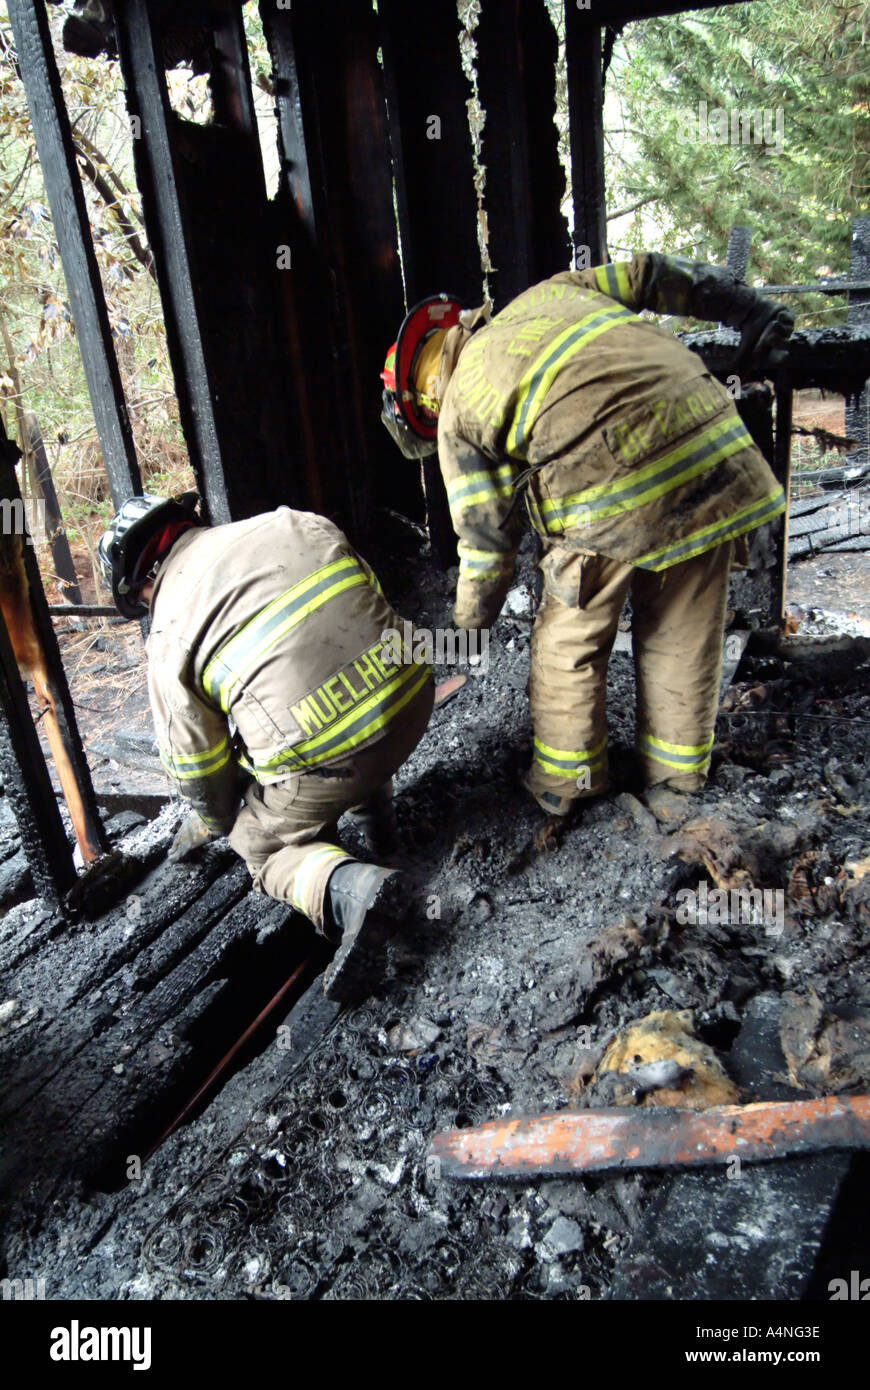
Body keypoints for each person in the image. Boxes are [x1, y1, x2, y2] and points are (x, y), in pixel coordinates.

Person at [380, 253, 793, 818]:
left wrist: (468, 629)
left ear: (423, 397)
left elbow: (486, 544)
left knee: (568, 641)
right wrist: (747, 309)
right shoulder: (553, 291)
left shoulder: (458, 407)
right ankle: (675, 780)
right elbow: (651, 274)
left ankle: (567, 784)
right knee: (682, 628)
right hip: (717, 453)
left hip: (613, 487)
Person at [97, 497, 434, 1002]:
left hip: (338, 761)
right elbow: (365, 618)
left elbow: (199, 770)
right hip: (415, 693)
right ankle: (384, 835)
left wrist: (220, 820)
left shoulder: (167, 637)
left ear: (140, 586)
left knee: (256, 843)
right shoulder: (291, 523)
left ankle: (357, 893)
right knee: (343, 708)